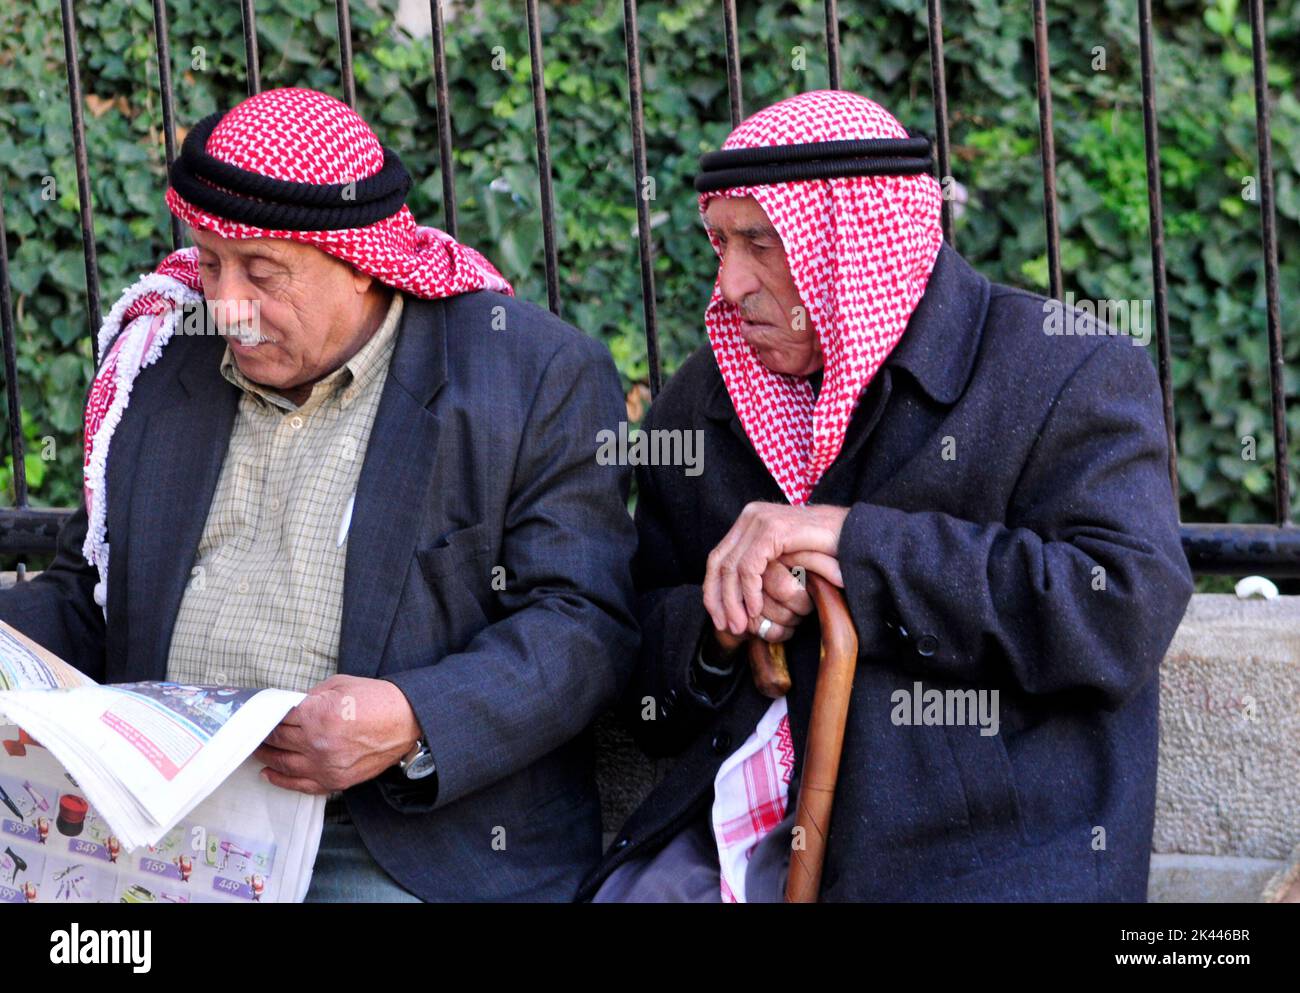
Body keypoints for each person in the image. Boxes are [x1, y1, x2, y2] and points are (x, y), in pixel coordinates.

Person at [0, 87, 638, 902]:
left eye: (263, 273)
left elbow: (586, 622)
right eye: (209, 259)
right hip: (157, 825)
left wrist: (413, 715)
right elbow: (90, 598)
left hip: (388, 840)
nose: (226, 302)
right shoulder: (160, 363)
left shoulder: (528, 377)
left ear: (363, 262)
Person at [579, 89, 1194, 903]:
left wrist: (853, 544)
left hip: (987, 861)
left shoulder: (1064, 371)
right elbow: (638, 629)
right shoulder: (704, 400)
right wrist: (727, 627)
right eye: (721, 241)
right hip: (735, 837)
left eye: (761, 243)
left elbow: (1120, 608)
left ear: (852, 244)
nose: (729, 284)